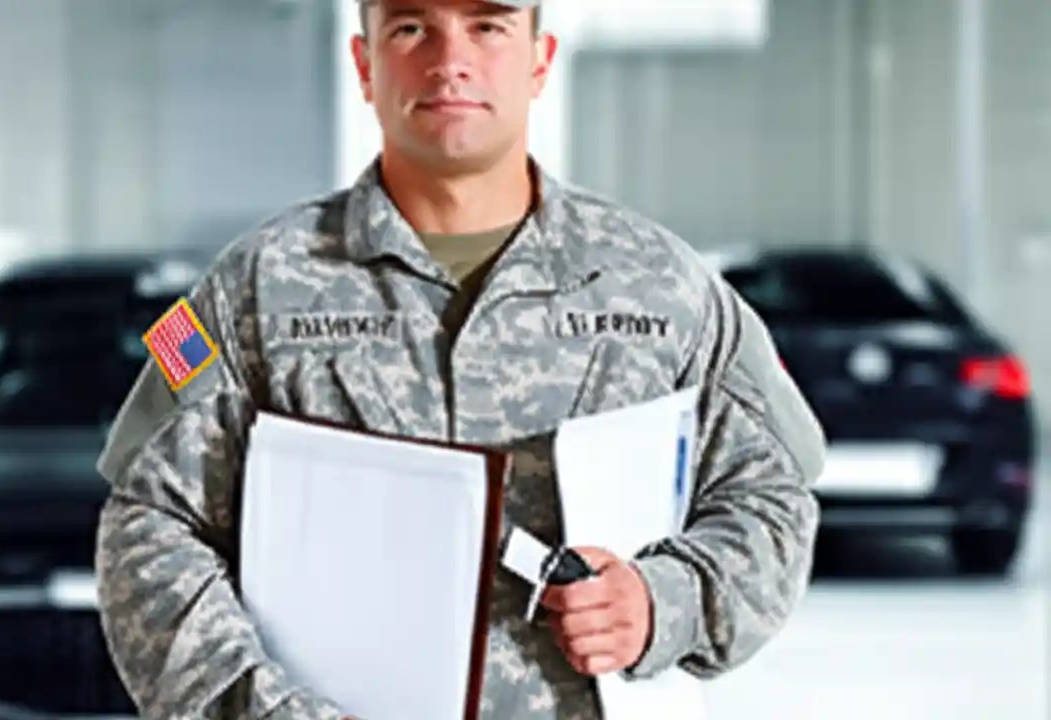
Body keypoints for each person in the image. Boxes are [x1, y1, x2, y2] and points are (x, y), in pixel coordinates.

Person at [93, 0, 827, 718]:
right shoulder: (252, 288)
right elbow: (148, 523)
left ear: (540, 60)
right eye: (411, 27)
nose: (450, 62)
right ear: (364, 64)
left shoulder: (665, 284)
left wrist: (665, 600)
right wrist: (261, 708)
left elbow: (773, 493)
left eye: (488, 25)